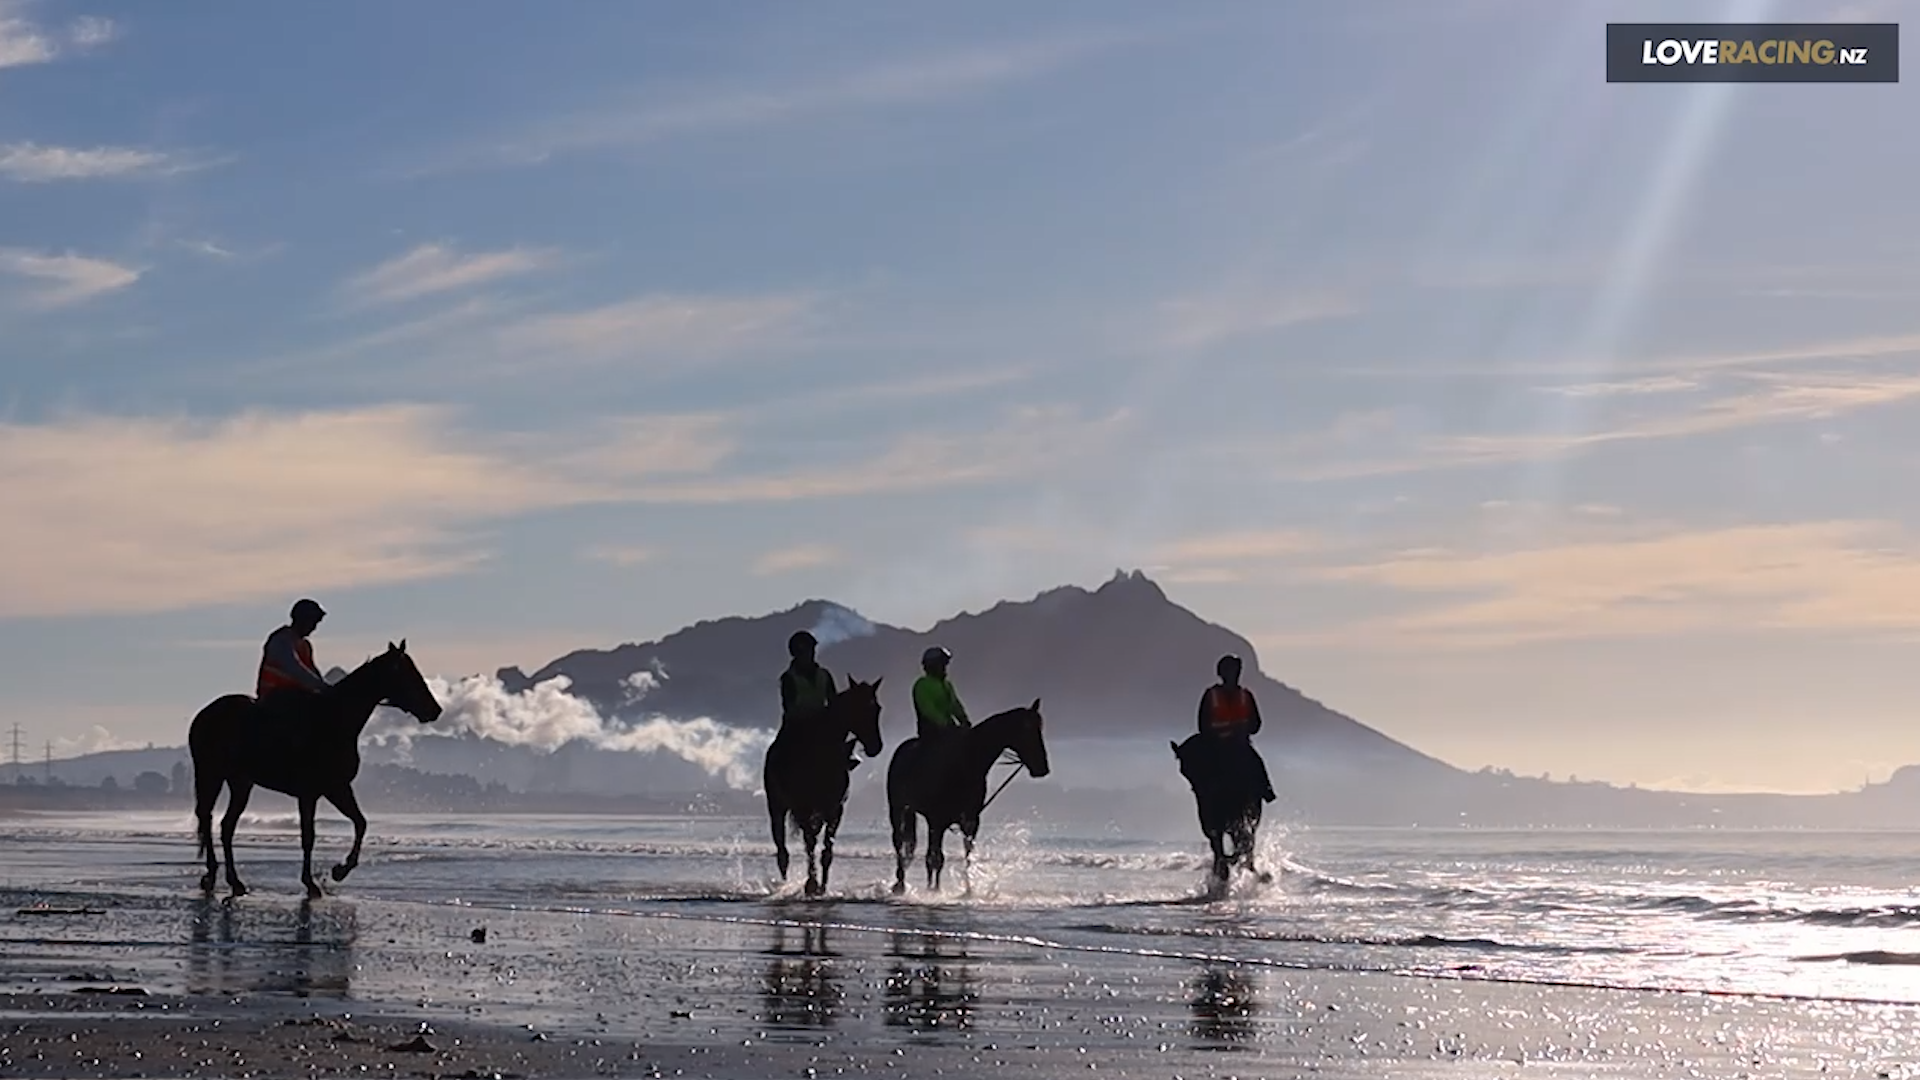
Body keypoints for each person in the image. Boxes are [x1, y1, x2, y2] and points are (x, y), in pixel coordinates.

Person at [1196, 653, 1276, 803]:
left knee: (1255, 762)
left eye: (1235, 671)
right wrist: (1218, 733)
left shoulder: (1246, 695)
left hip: (1240, 745)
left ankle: (1265, 790)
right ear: (1221, 673)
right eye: (1230, 671)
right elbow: (1202, 725)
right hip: (1216, 746)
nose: (1234, 675)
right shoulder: (1211, 695)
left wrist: (1244, 729)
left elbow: (1256, 724)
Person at [778, 629, 858, 770]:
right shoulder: (788, 678)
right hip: (797, 725)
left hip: (821, 721)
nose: (811, 654)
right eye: (806, 651)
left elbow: (833, 700)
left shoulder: (824, 675)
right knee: (783, 752)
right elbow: (789, 707)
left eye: (811, 650)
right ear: (797, 653)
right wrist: (808, 715)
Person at [911, 645, 970, 789]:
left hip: (950, 729)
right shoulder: (922, 685)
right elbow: (927, 708)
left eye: (944, 665)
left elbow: (955, 704)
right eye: (941, 664)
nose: (944, 668)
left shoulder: (947, 685)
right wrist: (944, 724)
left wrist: (963, 719)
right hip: (931, 730)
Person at [256, 598, 331, 701]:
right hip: (275, 696)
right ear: (302, 619)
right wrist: (322, 687)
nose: (314, 627)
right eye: (313, 622)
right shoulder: (281, 640)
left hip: (296, 695)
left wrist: (325, 687)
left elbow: (312, 670)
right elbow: (294, 668)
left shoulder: (305, 645)